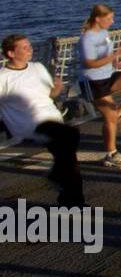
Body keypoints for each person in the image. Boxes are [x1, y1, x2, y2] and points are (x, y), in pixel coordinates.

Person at [1, 34, 85, 206]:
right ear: (11, 53)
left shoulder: (37, 68)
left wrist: (57, 88)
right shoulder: (3, 77)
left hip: (52, 118)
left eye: (30, 46)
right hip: (29, 124)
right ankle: (65, 189)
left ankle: (71, 201)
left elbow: (50, 94)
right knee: (69, 140)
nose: (30, 50)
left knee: (68, 157)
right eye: (24, 47)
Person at [77, 5, 121, 167]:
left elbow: (106, 55)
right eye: (109, 19)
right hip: (92, 81)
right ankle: (111, 154)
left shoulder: (104, 33)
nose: (112, 22)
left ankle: (120, 113)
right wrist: (114, 56)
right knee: (110, 116)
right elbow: (90, 63)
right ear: (97, 19)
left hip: (108, 75)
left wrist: (114, 61)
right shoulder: (87, 39)